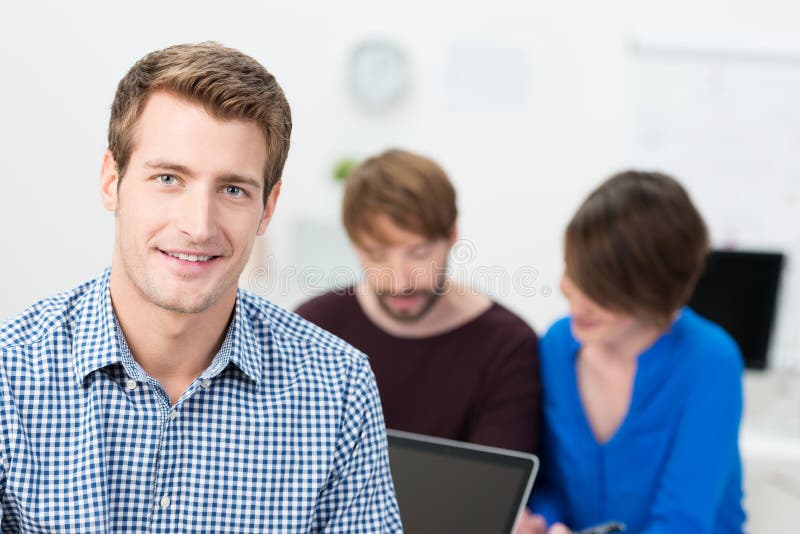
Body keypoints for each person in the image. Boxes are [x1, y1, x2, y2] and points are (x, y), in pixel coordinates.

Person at [0, 42, 401, 533]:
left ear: (267, 207)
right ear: (112, 181)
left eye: (233, 190)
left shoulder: (337, 387)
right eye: (168, 178)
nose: (199, 225)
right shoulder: (10, 376)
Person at [516, 170, 745, 534]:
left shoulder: (709, 360)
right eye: (573, 273)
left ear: (654, 293)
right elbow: (550, 484)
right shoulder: (559, 344)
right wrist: (546, 523)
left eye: (602, 292)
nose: (576, 302)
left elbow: (682, 521)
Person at [296, 149, 541, 453]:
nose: (400, 282)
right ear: (354, 244)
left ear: (451, 236)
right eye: (376, 255)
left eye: (419, 253)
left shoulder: (508, 347)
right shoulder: (312, 330)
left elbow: (496, 493)